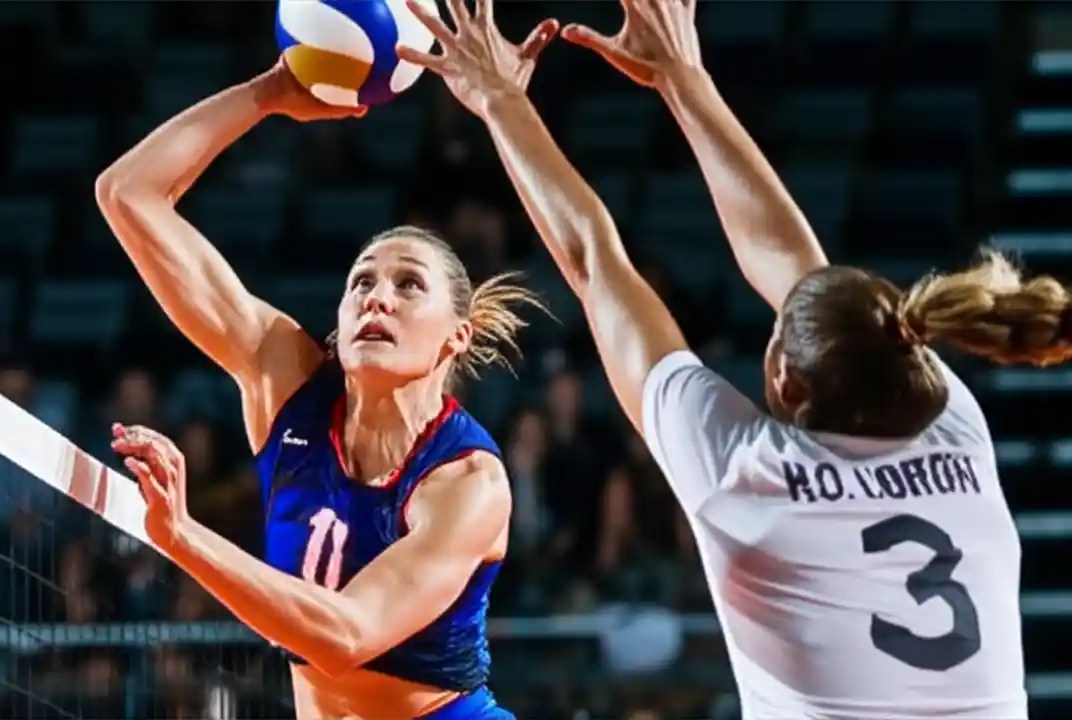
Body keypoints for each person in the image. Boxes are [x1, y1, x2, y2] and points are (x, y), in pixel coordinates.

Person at [399, 0, 1031, 716]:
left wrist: (502, 98)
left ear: (785, 379)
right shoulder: (954, 428)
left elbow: (597, 263)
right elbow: (811, 286)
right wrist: (684, 82)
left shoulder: (747, 476)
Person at [93, 16, 558, 718]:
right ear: (338, 325)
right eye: (361, 282)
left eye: (408, 286)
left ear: (455, 338)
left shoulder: (468, 480)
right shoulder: (284, 379)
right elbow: (127, 194)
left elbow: (347, 635)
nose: (378, 297)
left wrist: (182, 538)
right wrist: (269, 91)